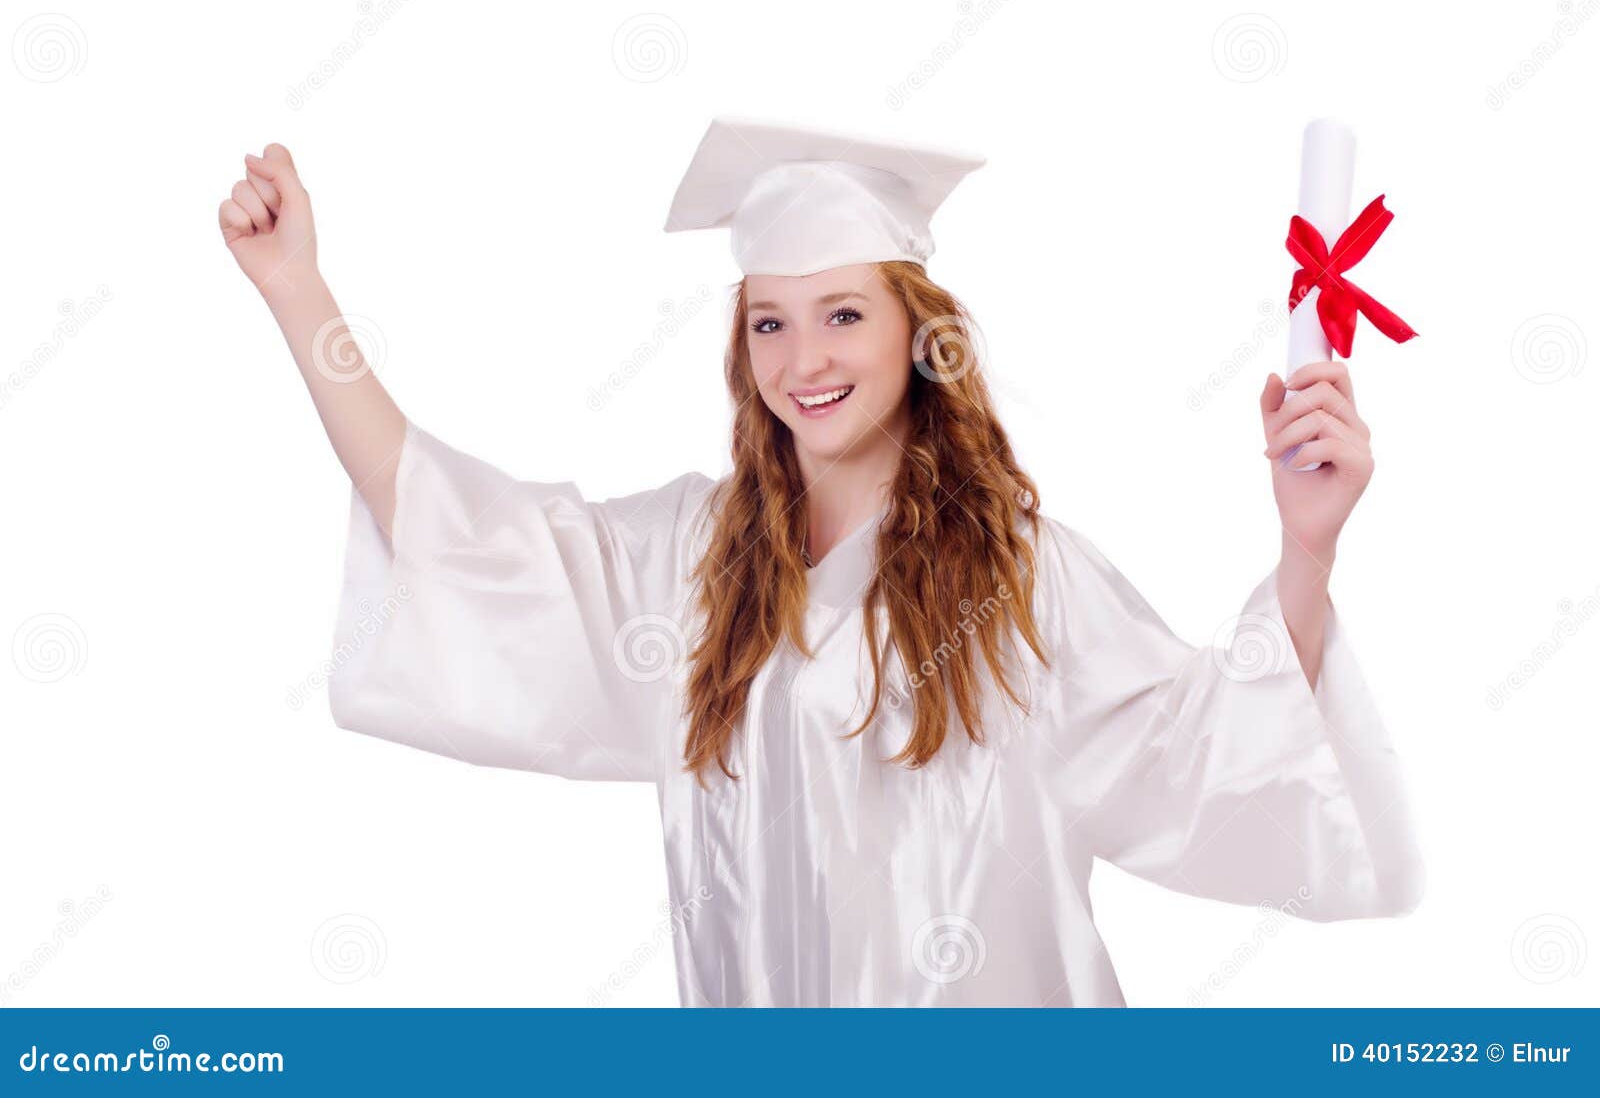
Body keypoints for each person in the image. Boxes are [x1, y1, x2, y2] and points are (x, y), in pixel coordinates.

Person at [217, 116, 1425, 1007]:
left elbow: (1209, 755)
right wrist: (297, 290)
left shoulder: (1020, 576)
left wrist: (1304, 550)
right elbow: (450, 531)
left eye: (844, 312)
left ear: (917, 329)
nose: (805, 357)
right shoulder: (690, 568)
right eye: (770, 320)